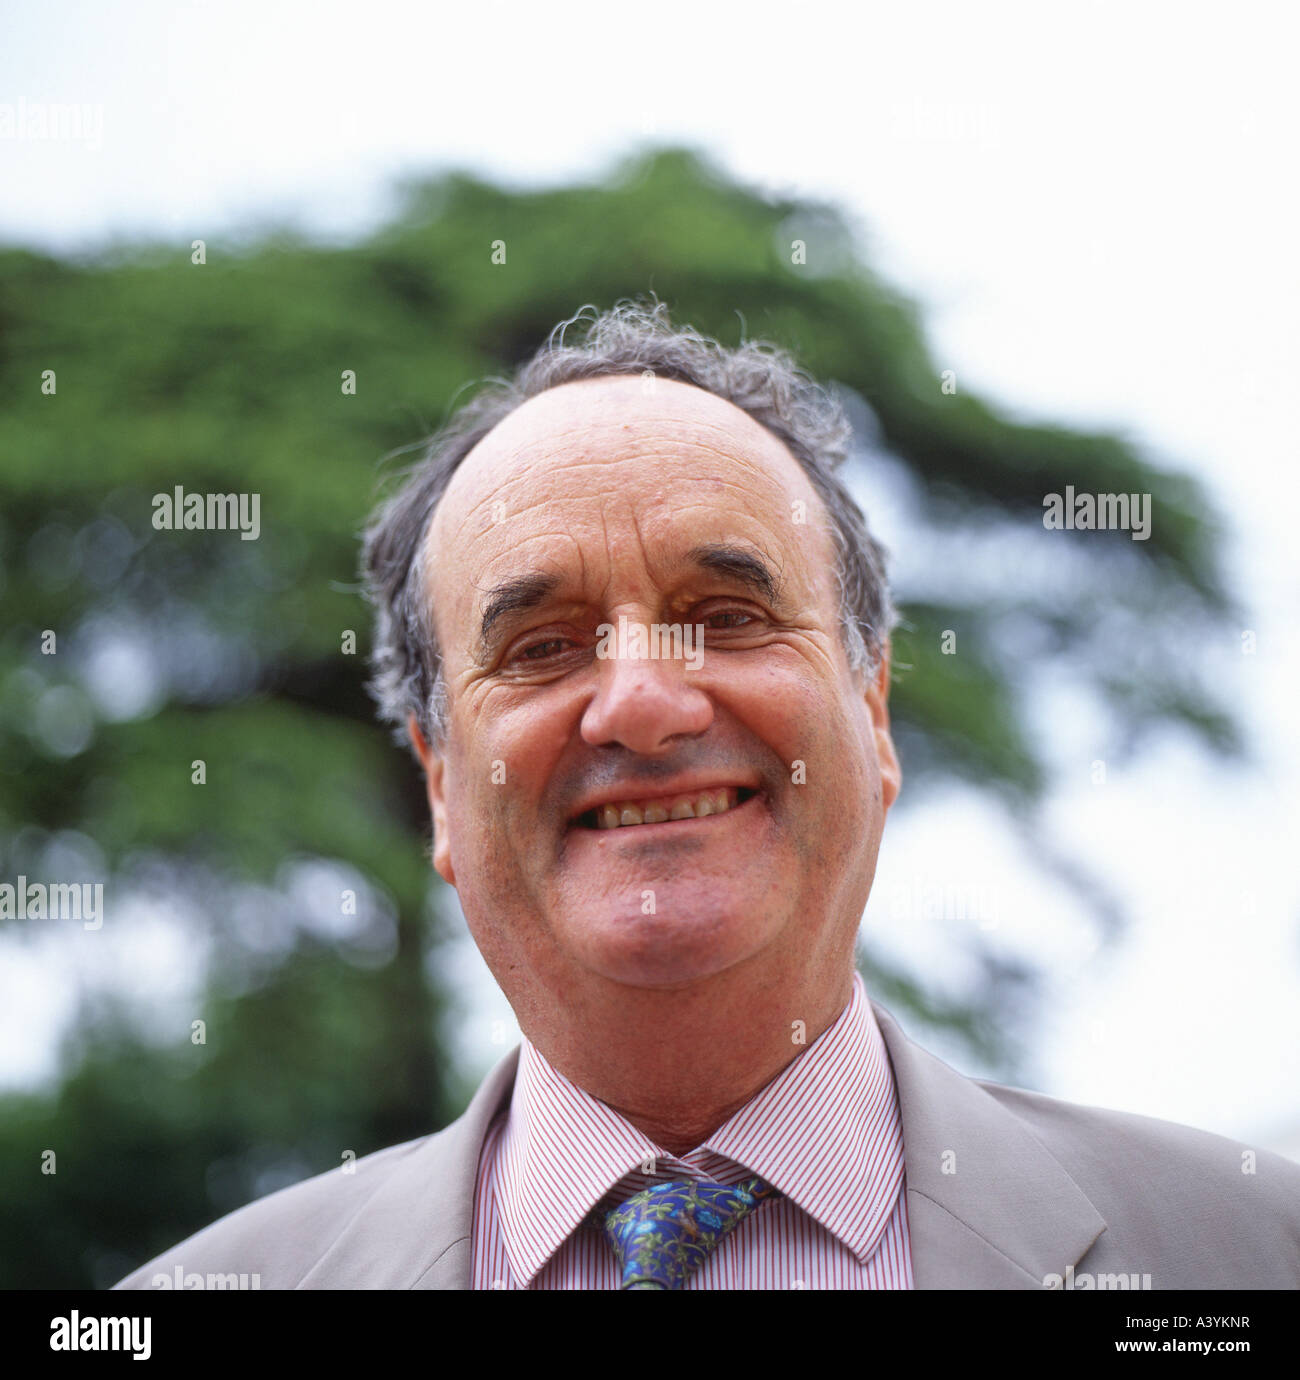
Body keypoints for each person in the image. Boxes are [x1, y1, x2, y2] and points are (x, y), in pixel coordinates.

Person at [114, 299, 1300, 1290]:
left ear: (871, 712)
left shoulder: (1249, 1258)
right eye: (539, 646)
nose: (641, 702)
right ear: (437, 781)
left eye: (727, 618)